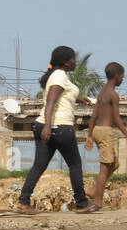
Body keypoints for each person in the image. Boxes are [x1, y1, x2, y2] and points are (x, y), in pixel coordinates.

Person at [18, 46, 91, 214]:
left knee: (39, 165)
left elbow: (59, 98)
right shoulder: (59, 76)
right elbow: (51, 101)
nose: (75, 61)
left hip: (45, 125)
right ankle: (82, 204)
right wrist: (48, 127)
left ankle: (23, 201)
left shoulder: (57, 76)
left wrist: (79, 99)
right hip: (59, 127)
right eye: (73, 58)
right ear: (66, 62)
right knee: (75, 164)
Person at [84, 61, 127, 211]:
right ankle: (98, 202)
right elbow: (116, 119)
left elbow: (94, 115)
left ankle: (94, 190)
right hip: (106, 131)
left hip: (97, 130)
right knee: (104, 168)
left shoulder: (101, 93)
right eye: (122, 77)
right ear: (116, 76)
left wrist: (90, 135)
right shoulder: (113, 95)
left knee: (115, 164)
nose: (123, 79)